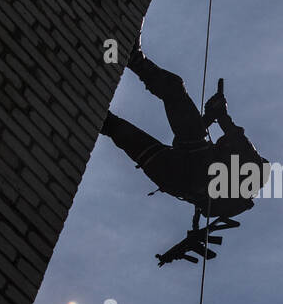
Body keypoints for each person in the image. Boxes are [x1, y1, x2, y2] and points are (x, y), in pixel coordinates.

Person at [101, 31, 269, 221]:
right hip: (172, 177)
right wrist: (211, 115)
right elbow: (191, 139)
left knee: (173, 88)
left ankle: (132, 59)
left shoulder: (250, 162)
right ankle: (92, 105)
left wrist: (220, 114)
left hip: (186, 166)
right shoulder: (230, 187)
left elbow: (230, 135)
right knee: (113, 127)